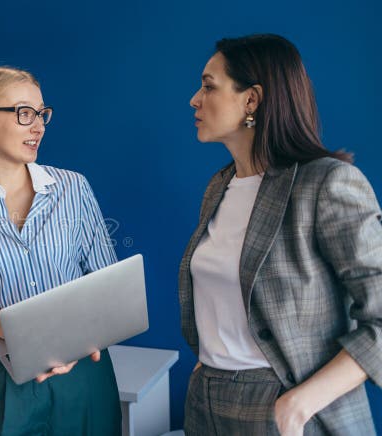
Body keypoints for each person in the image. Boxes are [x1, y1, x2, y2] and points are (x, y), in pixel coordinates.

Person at [180, 34, 382, 435]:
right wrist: (211, 366)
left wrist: (296, 405)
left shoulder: (326, 183)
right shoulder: (218, 187)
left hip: (291, 408)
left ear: (251, 100)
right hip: (207, 402)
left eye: (208, 86)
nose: (194, 100)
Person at [0, 66, 122, 435]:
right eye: (23, 113)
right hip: (2, 376)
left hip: (83, 373)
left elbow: (107, 284)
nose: (38, 126)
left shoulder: (73, 188)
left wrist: (89, 334)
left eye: (42, 114)